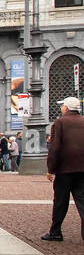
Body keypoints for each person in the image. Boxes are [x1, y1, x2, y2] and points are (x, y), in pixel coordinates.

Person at [43, 97, 84, 242]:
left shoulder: (60, 123)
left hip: (64, 170)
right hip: (82, 169)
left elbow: (55, 148)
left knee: (60, 201)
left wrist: (50, 169)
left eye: (62, 106)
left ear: (66, 108)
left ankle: (55, 232)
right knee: (82, 201)